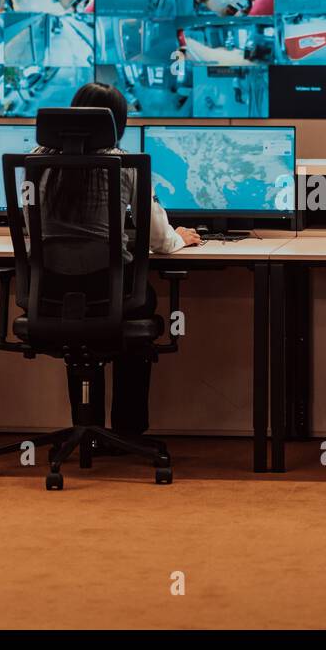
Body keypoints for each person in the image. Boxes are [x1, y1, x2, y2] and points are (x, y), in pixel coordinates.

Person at [34, 82, 200, 439]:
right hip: (110, 295)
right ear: (116, 125)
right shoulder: (125, 166)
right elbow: (159, 240)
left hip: (49, 296)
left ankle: (86, 429)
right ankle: (127, 430)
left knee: (75, 316)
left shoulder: (38, 163)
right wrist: (180, 238)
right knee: (133, 304)